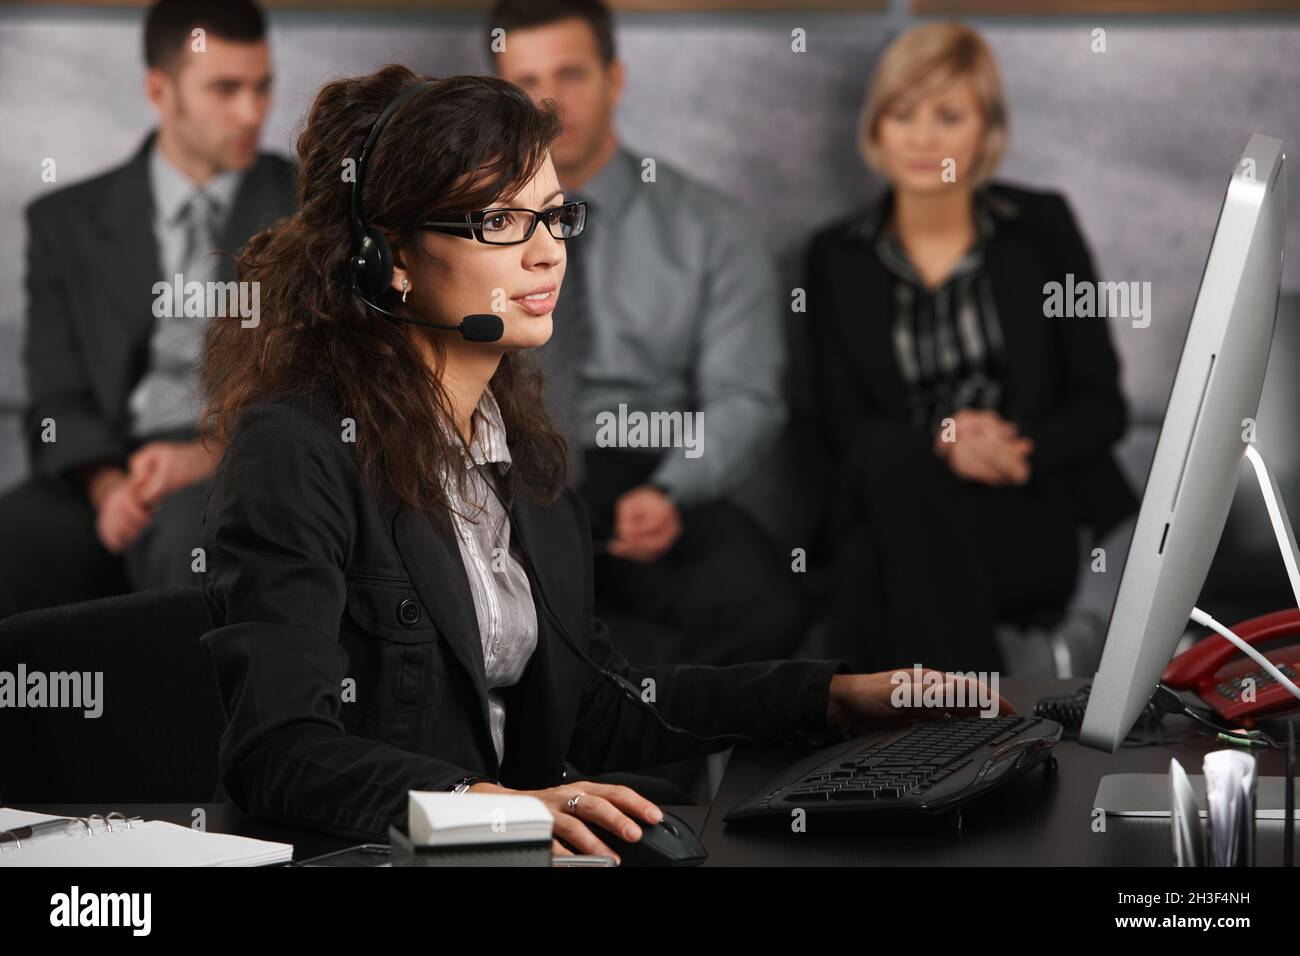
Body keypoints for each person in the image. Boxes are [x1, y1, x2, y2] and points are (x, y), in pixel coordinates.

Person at [198, 66, 1006, 858]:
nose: (547, 254)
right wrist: (496, 815)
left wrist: (831, 698)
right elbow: (279, 749)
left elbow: (596, 704)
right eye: (499, 223)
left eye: (554, 216)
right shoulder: (298, 451)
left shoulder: (520, 450)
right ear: (393, 260)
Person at [799, 23, 1136, 674]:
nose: (923, 138)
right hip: (897, 491)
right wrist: (944, 440)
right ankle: (984, 741)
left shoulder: (1041, 229)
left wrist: (1012, 446)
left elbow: (1102, 405)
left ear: (987, 131)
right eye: (903, 113)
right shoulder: (835, 256)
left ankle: (908, 756)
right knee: (892, 468)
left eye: (948, 116)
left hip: (1026, 504)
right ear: (876, 128)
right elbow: (844, 427)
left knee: (870, 562)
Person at [487, 0, 804, 667]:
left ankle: (664, 768)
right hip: (503, 466)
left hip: (642, 466)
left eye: (570, 74)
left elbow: (745, 396)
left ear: (616, 78)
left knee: (762, 602)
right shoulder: (465, 226)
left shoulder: (709, 227)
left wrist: (671, 488)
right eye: (524, 83)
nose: (549, 102)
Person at [0, 0, 296, 619]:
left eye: (262, 86)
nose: (252, 112)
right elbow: (57, 396)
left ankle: (183, 717)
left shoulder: (307, 206)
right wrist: (110, 486)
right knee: (16, 536)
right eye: (225, 89)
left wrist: (203, 455)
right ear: (159, 90)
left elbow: (329, 378)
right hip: (112, 458)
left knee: (194, 531)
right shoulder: (65, 223)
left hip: (247, 455)